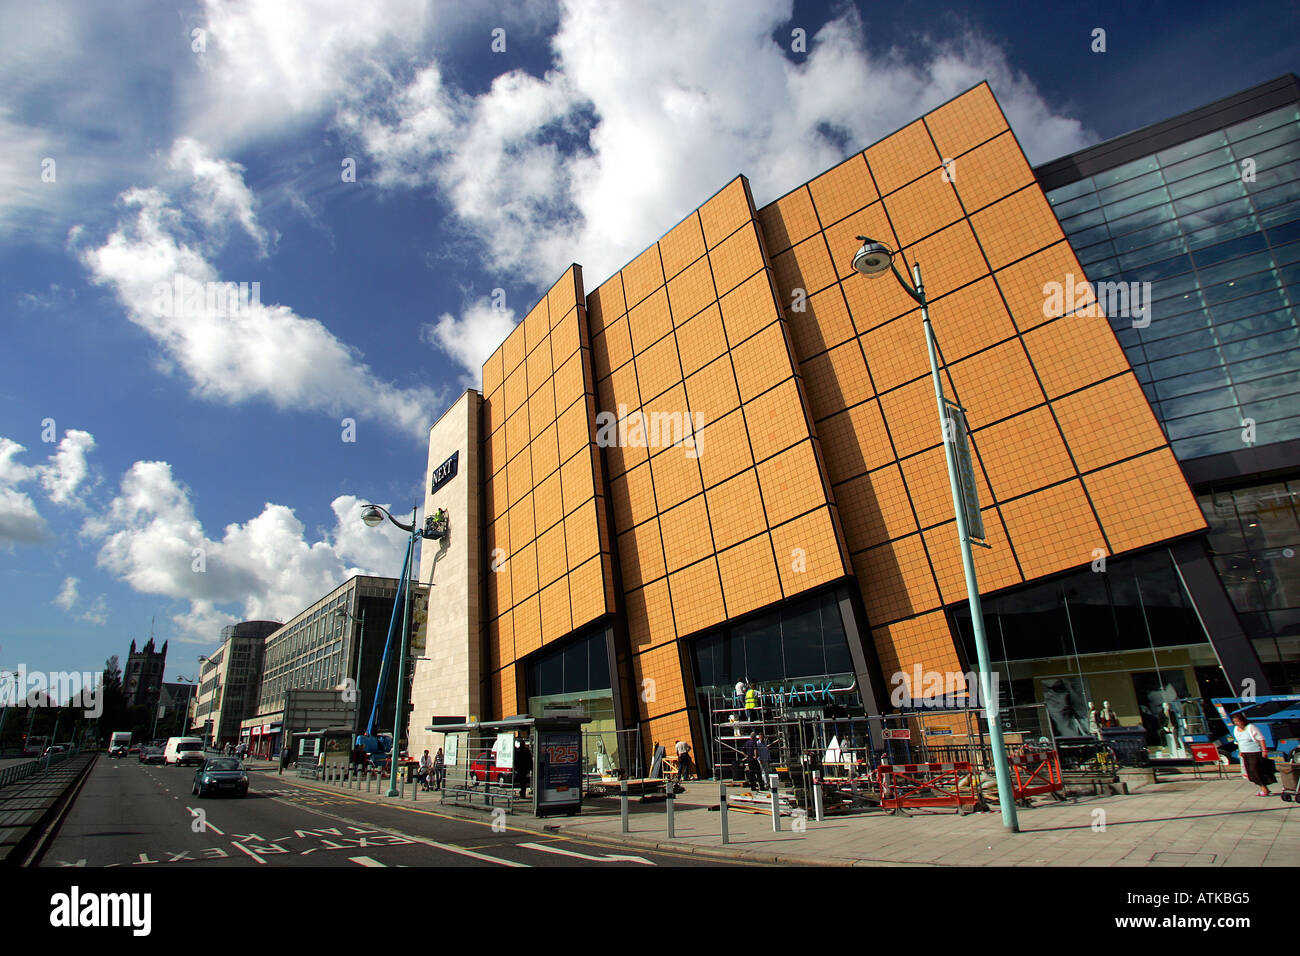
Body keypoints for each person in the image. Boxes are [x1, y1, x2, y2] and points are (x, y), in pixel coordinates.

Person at [1231, 713, 1275, 796]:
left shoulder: (1250, 727)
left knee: (1255, 770)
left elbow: (1261, 739)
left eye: (1238, 721)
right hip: (1245, 753)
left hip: (1255, 753)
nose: (1237, 723)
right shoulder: (1236, 729)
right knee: (1250, 773)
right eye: (1235, 721)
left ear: (1242, 720)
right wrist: (1240, 751)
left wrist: (1264, 751)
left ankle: (1264, 789)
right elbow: (1239, 741)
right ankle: (1264, 788)